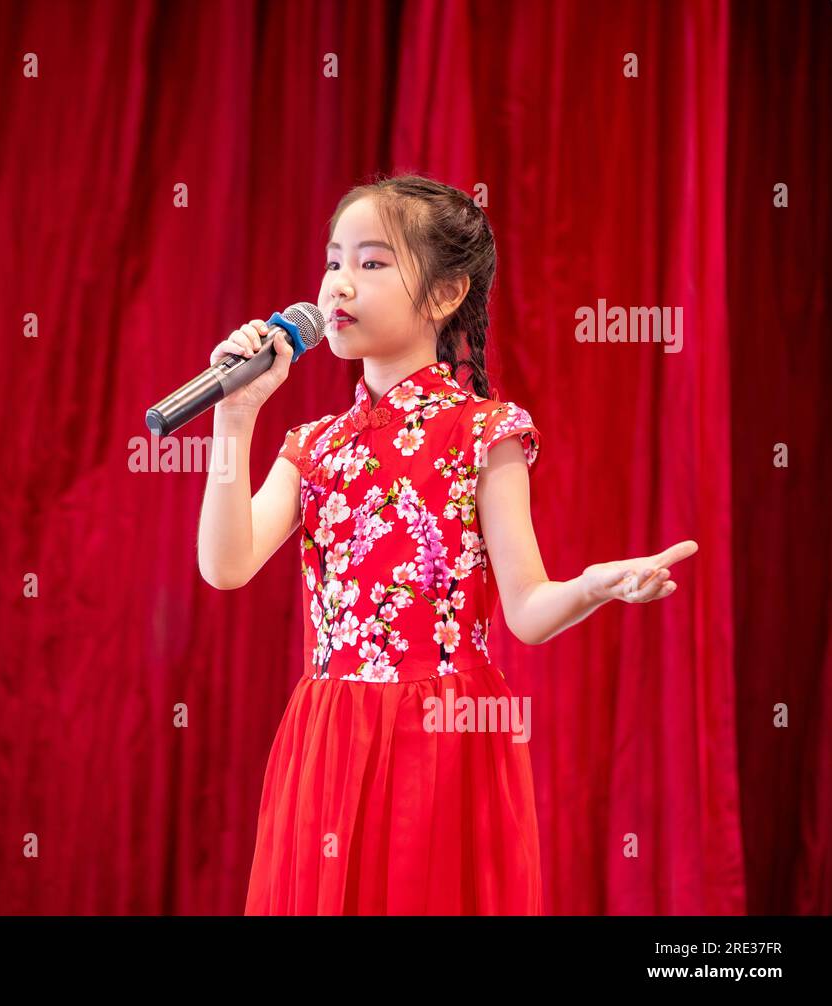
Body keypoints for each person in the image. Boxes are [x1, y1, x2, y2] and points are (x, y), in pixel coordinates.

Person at [196, 173, 698, 915]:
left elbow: (525, 609)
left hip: (442, 741)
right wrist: (234, 419)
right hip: (329, 738)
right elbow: (226, 565)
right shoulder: (315, 445)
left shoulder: (483, 433)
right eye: (334, 260)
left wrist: (594, 584)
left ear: (443, 294)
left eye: (372, 263)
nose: (339, 282)